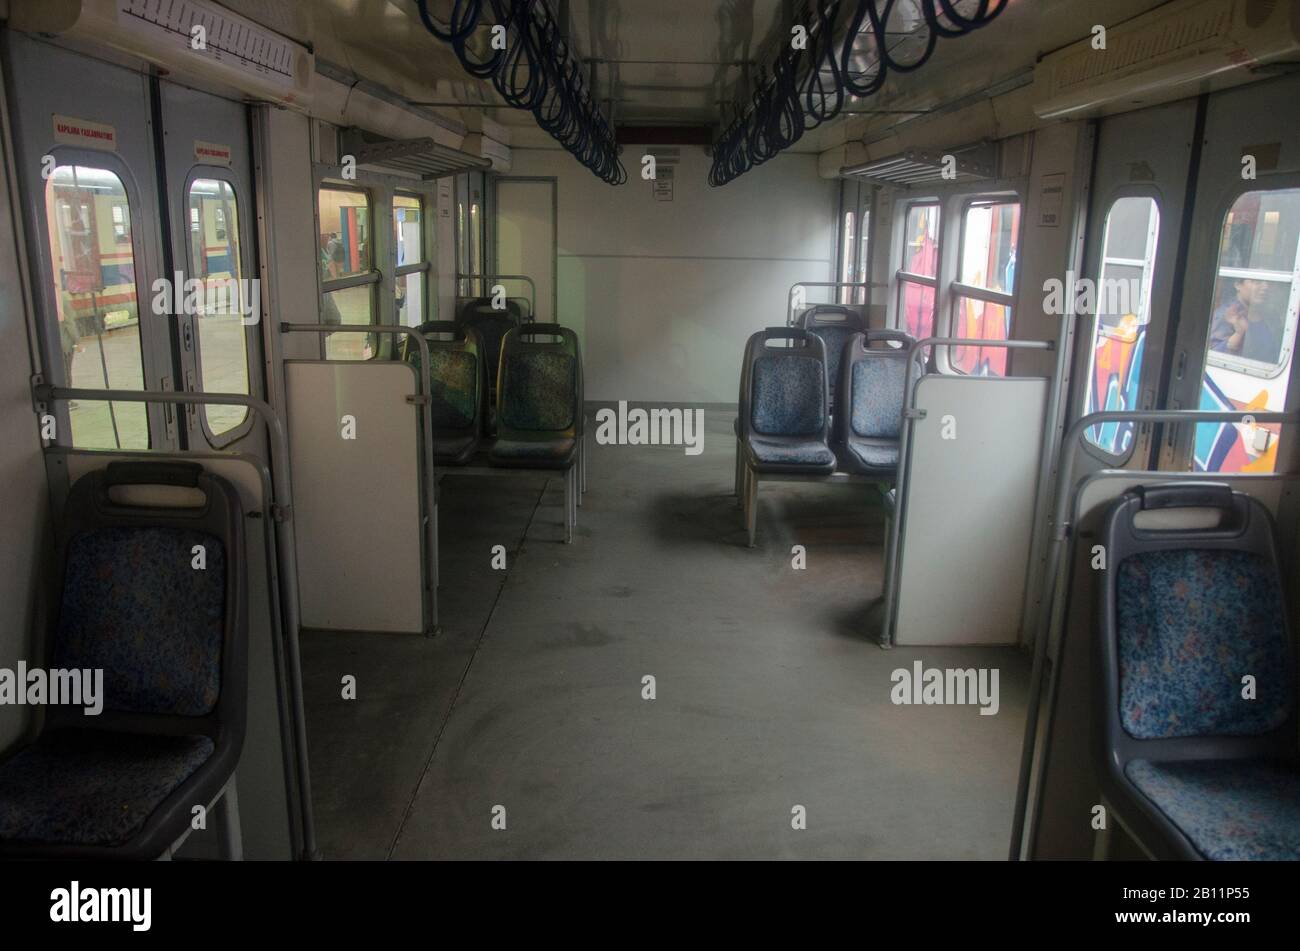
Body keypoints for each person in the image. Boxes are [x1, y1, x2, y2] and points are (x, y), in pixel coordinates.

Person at [1209, 277, 1283, 363]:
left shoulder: (1270, 315)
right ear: (1238, 285)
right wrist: (1239, 334)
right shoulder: (1227, 315)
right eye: (1257, 281)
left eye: (1268, 281)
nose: (1265, 286)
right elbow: (1212, 358)